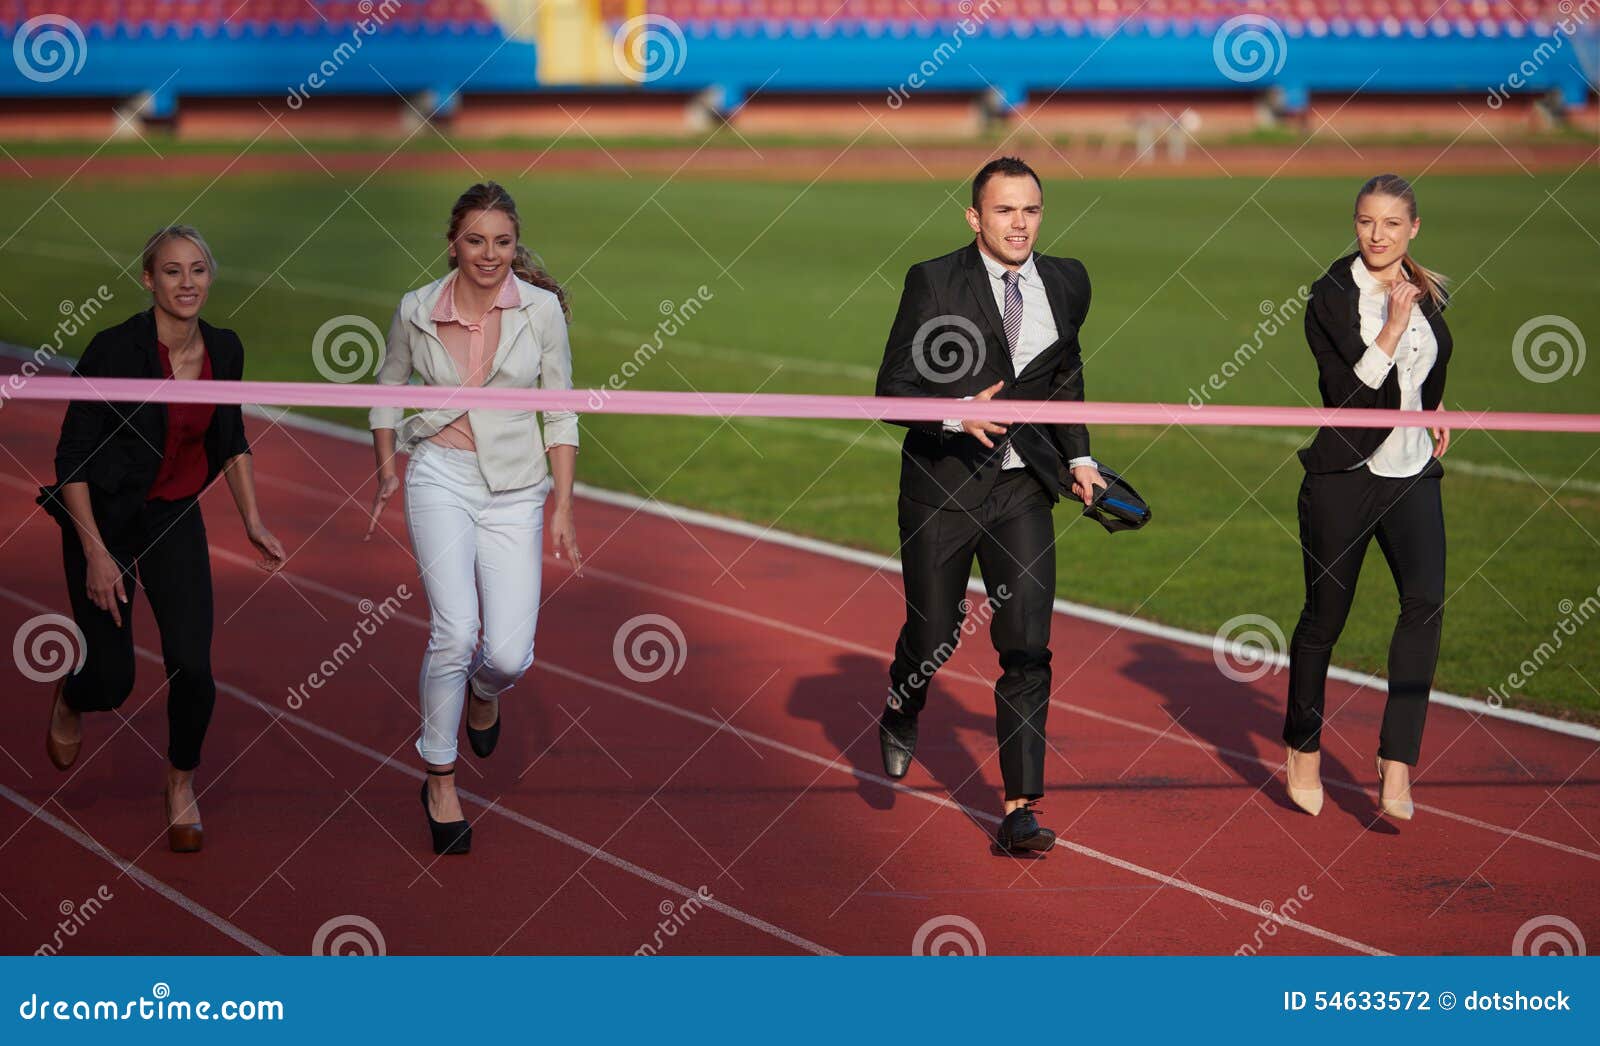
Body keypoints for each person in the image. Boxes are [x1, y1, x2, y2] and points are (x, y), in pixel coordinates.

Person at [874, 156, 1105, 853]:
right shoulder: (934, 280)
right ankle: (901, 700)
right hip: (943, 487)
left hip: (1021, 491)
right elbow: (891, 389)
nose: (1020, 223)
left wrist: (1080, 457)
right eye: (1004, 211)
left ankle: (1020, 808)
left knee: (1027, 646)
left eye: (1030, 209)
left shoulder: (1067, 280)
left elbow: (1064, 376)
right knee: (935, 634)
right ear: (975, 217)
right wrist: (954, 413)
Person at [39, 225, 286, 854]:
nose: (187, 284)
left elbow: (229, 439)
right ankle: (73, 695)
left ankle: (180, 782)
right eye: (172, 272)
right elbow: (72, 455)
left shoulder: (225, 350)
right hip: (106, 518)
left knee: (194, 666)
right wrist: (95, 550)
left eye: (198, 270)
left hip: (173, 516)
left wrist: (253, 521)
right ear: (148, 280)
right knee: (113, 681)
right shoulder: (114, 349)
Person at [366, 181, 582, 856]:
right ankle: (438, 776)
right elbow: (387, 388)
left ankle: (486, 692)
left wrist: (565, 504)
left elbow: (562, 408)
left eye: (502, 242)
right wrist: (385, 467)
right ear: (452, 242)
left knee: (509, 654)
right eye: (475, 240)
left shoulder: (542, 310)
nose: (489, 254)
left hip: (518, 489)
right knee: (454, 631)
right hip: (441, 476)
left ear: (516, 246)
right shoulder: (415, 308)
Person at [1283, 173, 1452, 822]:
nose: (1376, 236)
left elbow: (1434, 359)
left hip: (1412, 476)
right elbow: (1351, 398)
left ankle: (1397, 762)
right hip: (1344, 478)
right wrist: (1392, 325)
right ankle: (1302, 745)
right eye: (1364, 222)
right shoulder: (1330, 296)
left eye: (1389, 224)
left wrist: (1435, 404)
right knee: (1325, 620)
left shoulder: (1426, 290)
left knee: (1425, 605)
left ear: (1413, 229)